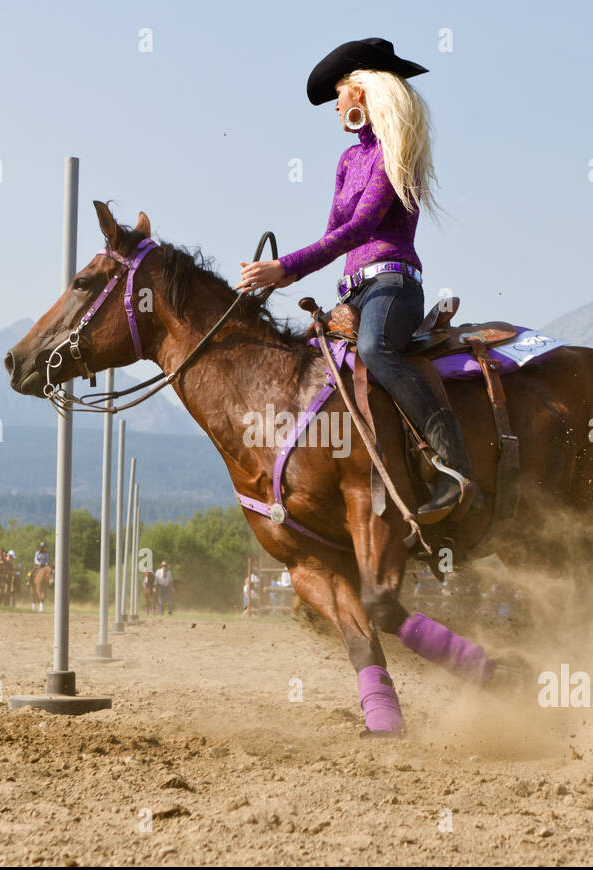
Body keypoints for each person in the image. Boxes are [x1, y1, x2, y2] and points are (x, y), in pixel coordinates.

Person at [236, 38, 472, 523]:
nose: (336, 105)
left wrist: (288, 266)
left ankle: (453, 464)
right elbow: (333, 237)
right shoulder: (347, 160)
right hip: (351, 292)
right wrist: (288, 274)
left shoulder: (393, 151)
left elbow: (361, 228)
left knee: (375, 350)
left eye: (340, 92)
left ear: (362, 93)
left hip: (393, 284)